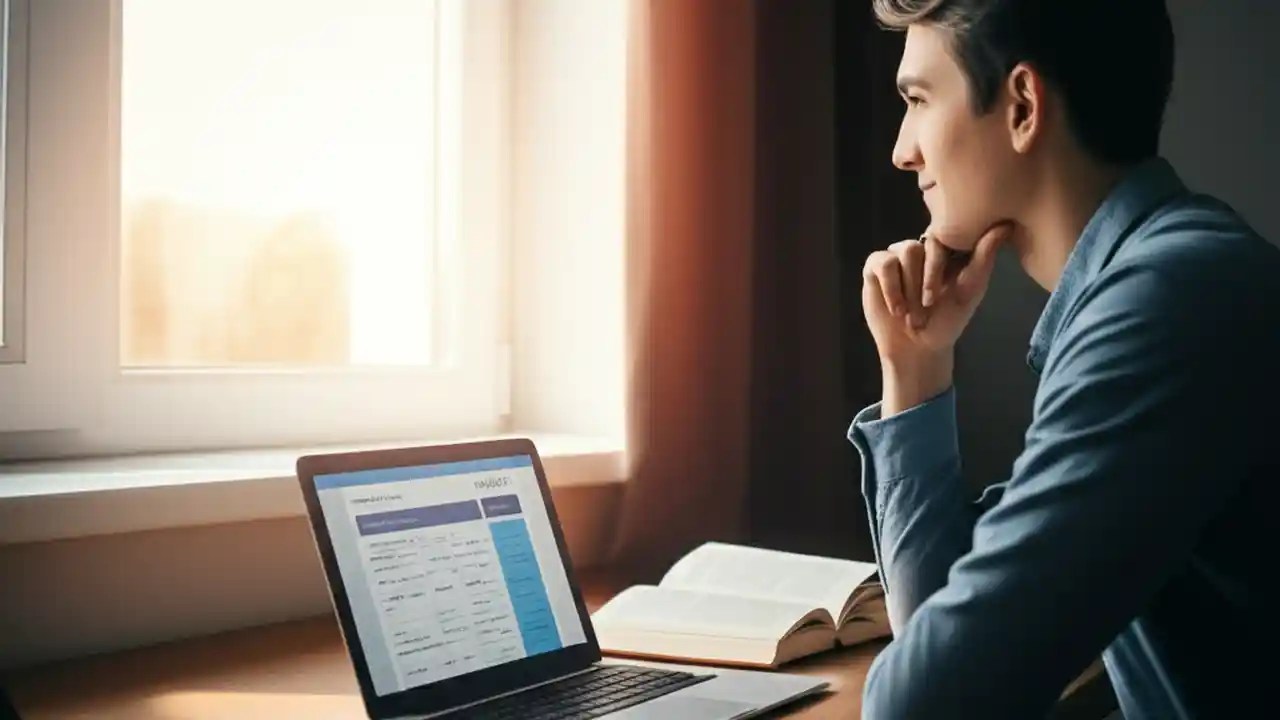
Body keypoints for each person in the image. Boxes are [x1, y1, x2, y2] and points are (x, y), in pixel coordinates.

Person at [848, 1, 1278, 718]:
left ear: (1021, 106)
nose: (902, 150)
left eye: (919, 101)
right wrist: (915, 370)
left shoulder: (1164, 307)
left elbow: (928, 703)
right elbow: (950, 635)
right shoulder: (1168, 280)